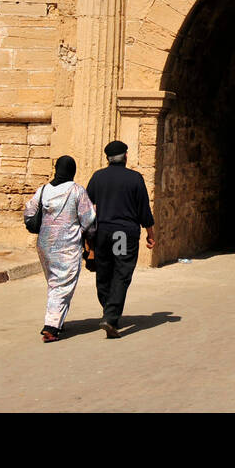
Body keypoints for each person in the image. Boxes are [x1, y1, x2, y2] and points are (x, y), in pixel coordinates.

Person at [85, 140, 155, 339]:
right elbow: (144, 210)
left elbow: (87, 206)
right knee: (121, 272)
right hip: (122, 234)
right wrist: (151, 234)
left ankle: (109, 310)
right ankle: (111, 315)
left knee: (104, 271)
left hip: (103, 232)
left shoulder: (98, 177)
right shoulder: (134, 178)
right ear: (125, 156)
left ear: (108, 158)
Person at [23, 155, 95, 343]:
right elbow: (89, 221)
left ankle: (58, 319)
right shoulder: (77, 190)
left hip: (45, 245)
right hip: (67, 246)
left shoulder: (44, 189)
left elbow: (29, 212)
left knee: (55, 283)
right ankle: (51, 327)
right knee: (61, 285)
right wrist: (91, 244)